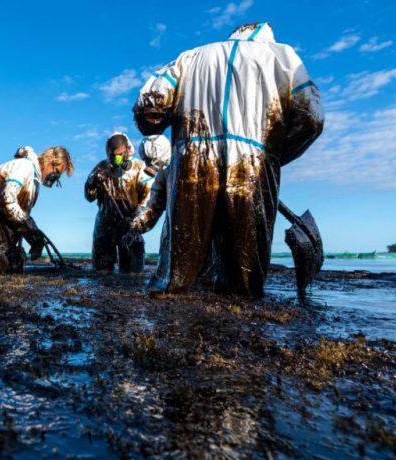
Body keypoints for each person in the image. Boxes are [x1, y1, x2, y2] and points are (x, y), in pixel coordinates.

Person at [128, 22, 323, 297]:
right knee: (244, 269)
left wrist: (157, 129)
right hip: (253, 163)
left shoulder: (190, 57)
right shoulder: (283, 57)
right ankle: (242, 311)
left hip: (191, 159)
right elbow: (312, 118)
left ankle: (170, 310)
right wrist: (272, 157)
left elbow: (149, 106)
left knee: (179, 266)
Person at [0, 146, 74, 273]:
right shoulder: (25, 167)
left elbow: (19, 214)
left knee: (12, 265)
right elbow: (7, 198)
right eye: (56, 171)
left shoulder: (34, 180)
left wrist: (34, 237)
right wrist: (32, 229)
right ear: (48, 160)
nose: (55, 177)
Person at [84, 133, 153, 274]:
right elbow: (89, 197)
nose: (117, 158)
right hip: (105, 225)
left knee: (132, 274)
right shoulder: (101, 167)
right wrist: (91, 183)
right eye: (113, 155)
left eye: (120, 154)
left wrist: (136, 223)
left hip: (130, 225)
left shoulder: (139, 168)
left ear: (128, 150)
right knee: (101, 272)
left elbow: (147, 199)